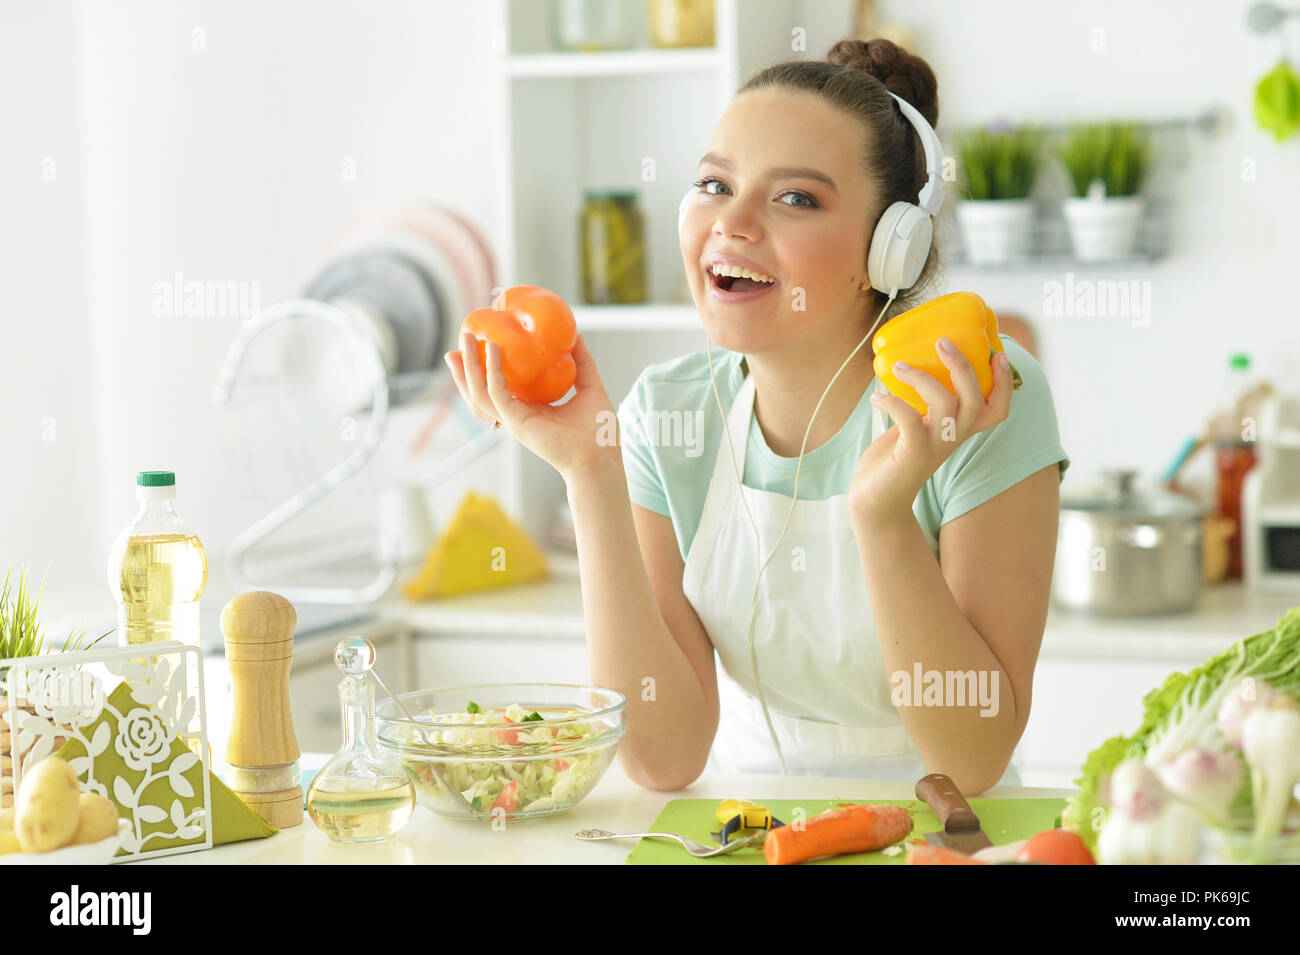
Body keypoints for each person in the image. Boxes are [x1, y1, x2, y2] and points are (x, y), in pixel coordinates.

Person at [445, 38, 1070, 796]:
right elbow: (663, 757)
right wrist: (592, 470)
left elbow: (970, 761)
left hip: (953, 829)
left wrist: (880, 512)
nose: (731, 224)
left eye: (796, 198)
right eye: (714, 184)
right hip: (750, 830)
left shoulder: (972, 394)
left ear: (888, 251)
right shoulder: (669, 412)